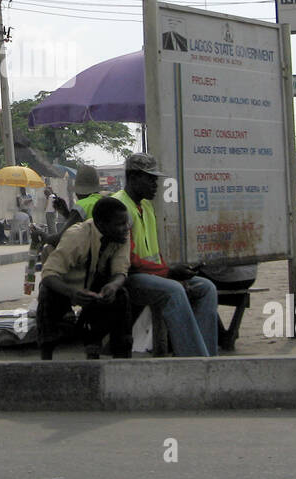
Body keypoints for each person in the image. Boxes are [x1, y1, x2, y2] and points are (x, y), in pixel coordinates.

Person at [114, 153, 218, 357]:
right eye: (150, 179)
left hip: (153, 275)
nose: (156, 184)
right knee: (173, 291)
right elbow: (130, 261)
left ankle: (209, 357)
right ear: (134, 178)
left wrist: (171, 273)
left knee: (207, 288)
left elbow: (155, 251)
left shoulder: (146, 206)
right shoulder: (120, 207)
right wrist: (168, 272)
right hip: (128, 277)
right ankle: (195, 361)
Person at [36, 196, 133, 360]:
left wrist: (113, 286)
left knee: (121, 295)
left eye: (126, 223)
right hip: (65, 289)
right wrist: (72, 293)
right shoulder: (77, 236)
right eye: (119, 224)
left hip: (94, 288)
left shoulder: (121, 236)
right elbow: (49, 274)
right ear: (102, 225)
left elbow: (120, 270)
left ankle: (120, 357)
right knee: (47, 293)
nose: (125, 228)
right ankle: (47, 356)